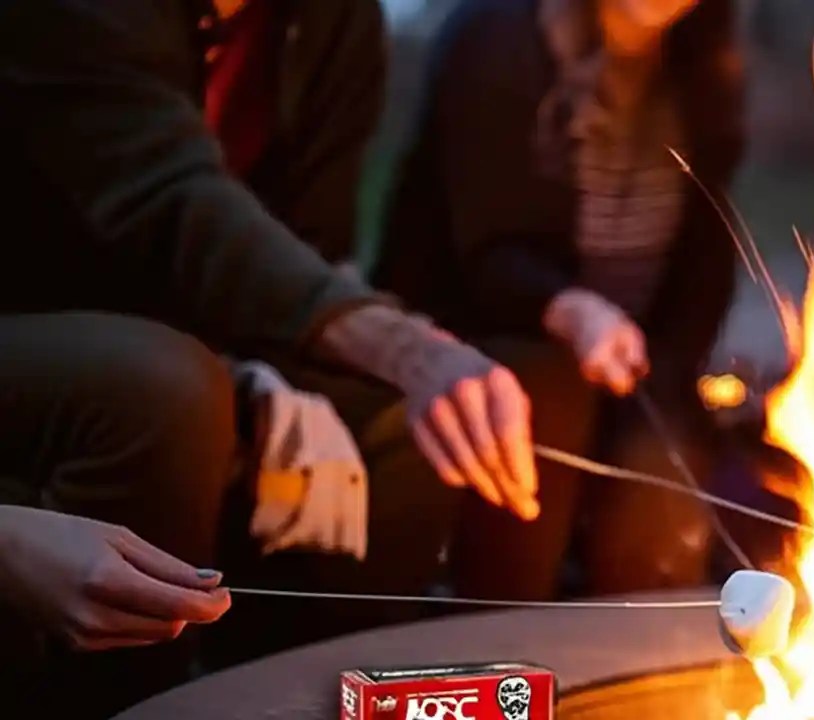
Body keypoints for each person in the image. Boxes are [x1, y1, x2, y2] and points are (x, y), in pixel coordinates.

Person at [0, 0, 539, 713]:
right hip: (40, 309)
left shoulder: (336, 23)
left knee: (405, 419)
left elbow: (312, 235)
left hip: (200, 317)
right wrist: (398, 345)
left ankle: (315, 699)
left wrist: (313, 367)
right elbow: (167, 197)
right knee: (167, 390)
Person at [375, 0, 744, 599]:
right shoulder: (500, 37)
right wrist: (571, 309)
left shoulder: (702, 68)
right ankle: (501, 652)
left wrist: (669, 377)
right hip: (483, 339)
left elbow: (708, 257)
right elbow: (480, 254)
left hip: (631, 366)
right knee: (546, 396)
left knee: (662, 464)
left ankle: (626, 670)